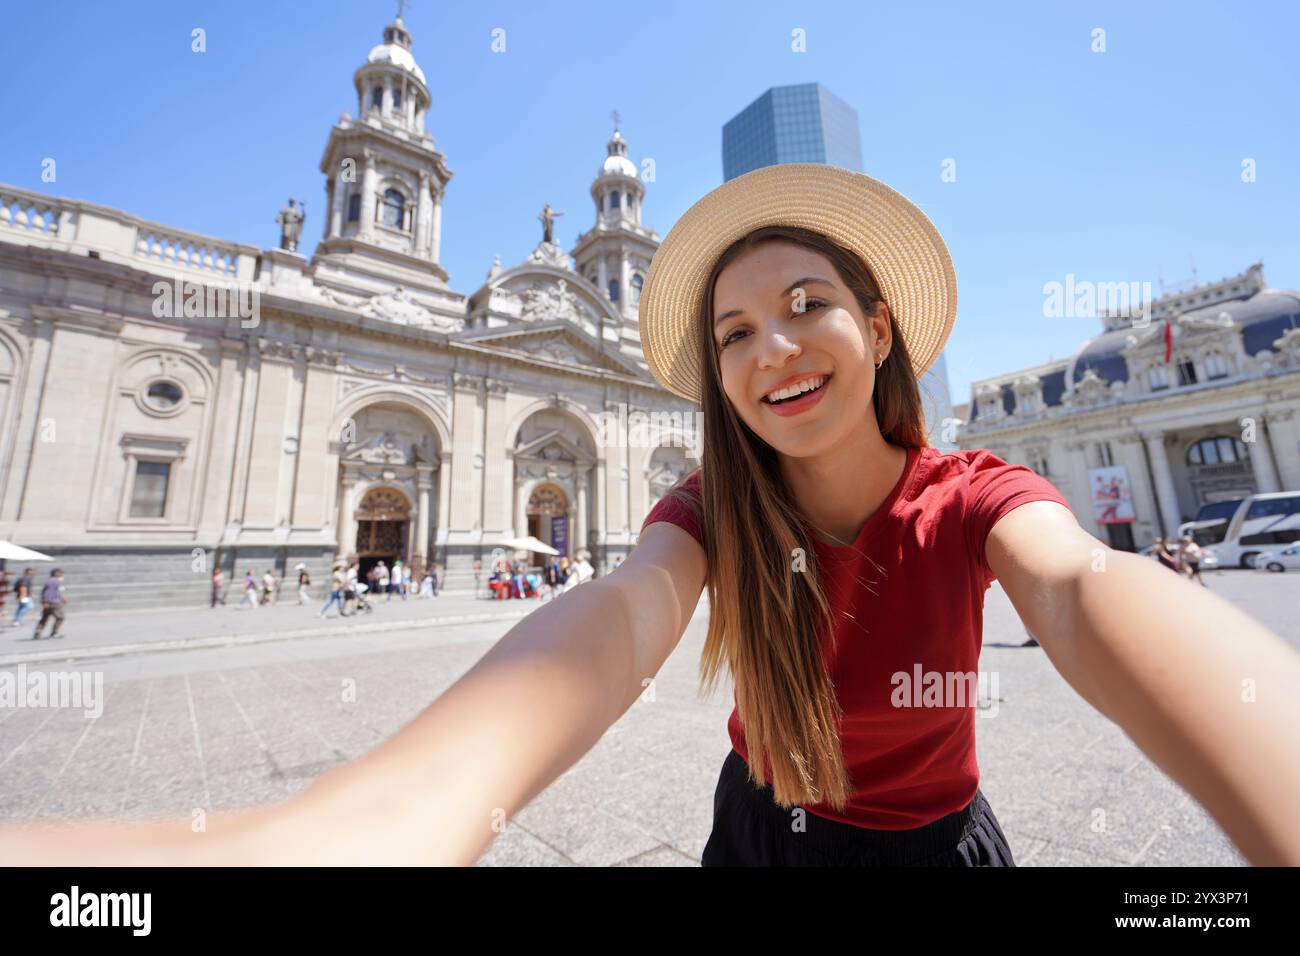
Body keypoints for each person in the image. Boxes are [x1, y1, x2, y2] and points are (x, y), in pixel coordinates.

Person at [5, 165, 1300, 868]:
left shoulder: (970, 494)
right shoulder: (710, 502)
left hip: (929, 854)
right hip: (752, 837)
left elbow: (1080, 592)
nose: (770, 348)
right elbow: (623, 617)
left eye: (806, 306)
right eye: (733, 330)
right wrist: (368, 821)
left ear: (880, 327)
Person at [31, 568, 66, 640]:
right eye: (60, 573)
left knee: (44, 618)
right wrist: (46, 601)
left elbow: (56, 592)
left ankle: (38, 632)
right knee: (60, 618)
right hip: (54, 603)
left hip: (50, 602)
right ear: (56, 573)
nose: (62, 575)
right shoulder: (54, 581)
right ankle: (54, 633)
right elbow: (48, 592)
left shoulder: (51, 581)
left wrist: (62, 598)